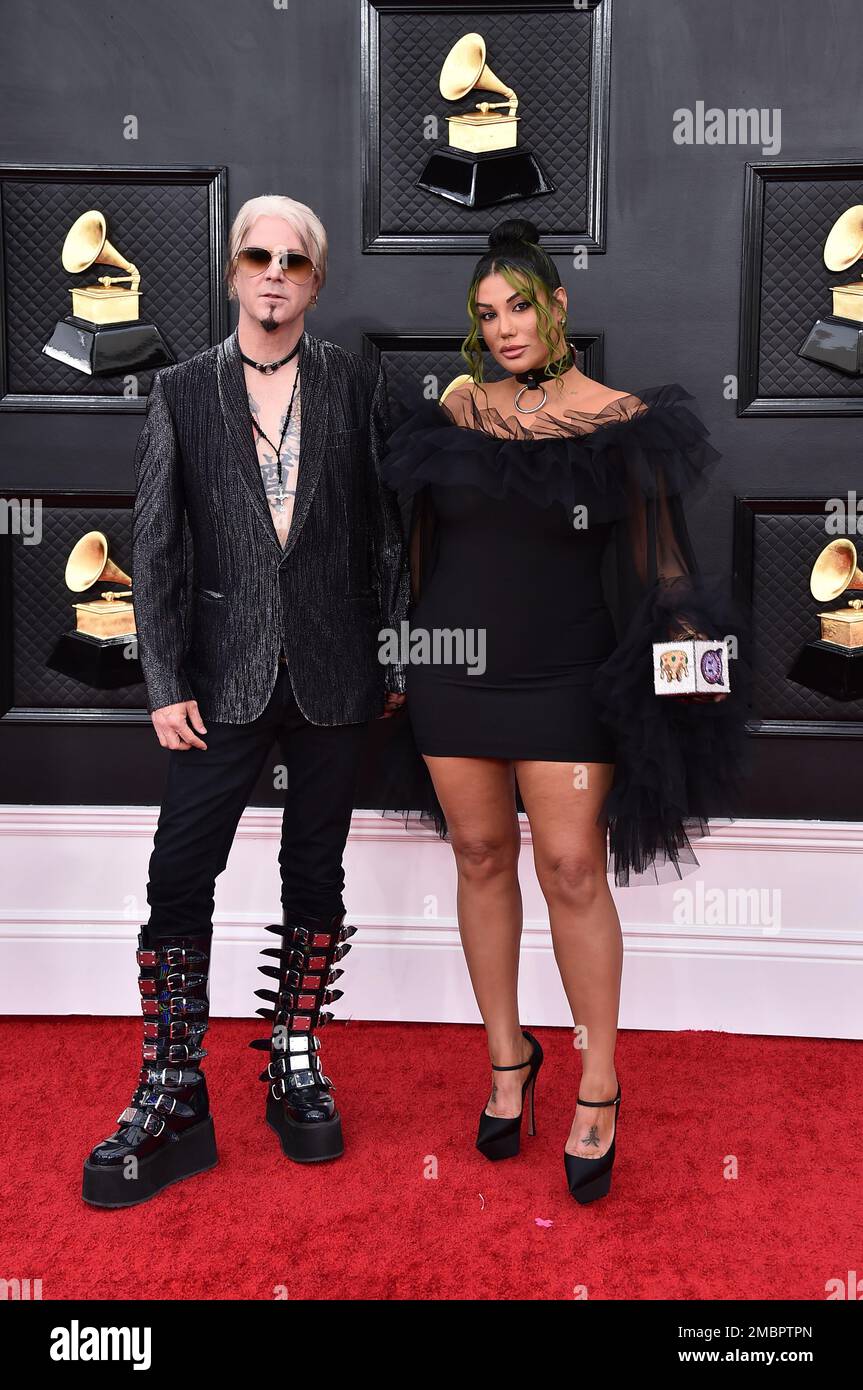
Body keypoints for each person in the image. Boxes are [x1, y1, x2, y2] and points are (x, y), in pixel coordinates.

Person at [378, 218, 749, 1204]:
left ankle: (596, 1078)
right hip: (453, 671)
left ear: (558, 306)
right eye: (485, 314)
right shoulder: (455, 410)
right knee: (478, 854)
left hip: (566, 677)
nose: (504, 328)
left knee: (572, 866)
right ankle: (508, 1061)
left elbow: (665, 573)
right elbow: (416, 554)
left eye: (519, 306)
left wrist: (694, 699)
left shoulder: (623, 421)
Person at [81, 194, 409, 1208]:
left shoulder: (357, 385)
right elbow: (154, 543)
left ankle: (293, 1055)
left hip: (334, 674)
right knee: (179, 871)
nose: (274, 273)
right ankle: (174, 1087)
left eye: (294, 260)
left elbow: (393, 531)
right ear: (232, 272)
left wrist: (390, 652)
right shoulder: (182, 390)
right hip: (216, 679)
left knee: (316, 868)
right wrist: (165, 679)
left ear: (315, 281)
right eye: (256, 256)